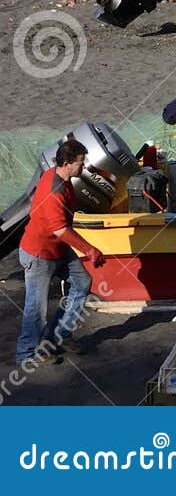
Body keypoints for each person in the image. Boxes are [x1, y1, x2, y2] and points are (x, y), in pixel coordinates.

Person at [16, 139, 103, 367]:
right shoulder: (55, 190)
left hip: (58, 249)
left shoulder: (61, 178)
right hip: (39, 253)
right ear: (66, 163)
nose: (83, 167)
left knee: (82, 282)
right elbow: (61, 229)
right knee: (36, 308)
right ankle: (26, 353)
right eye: (80, 163)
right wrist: (90, 249)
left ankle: (60, 335)